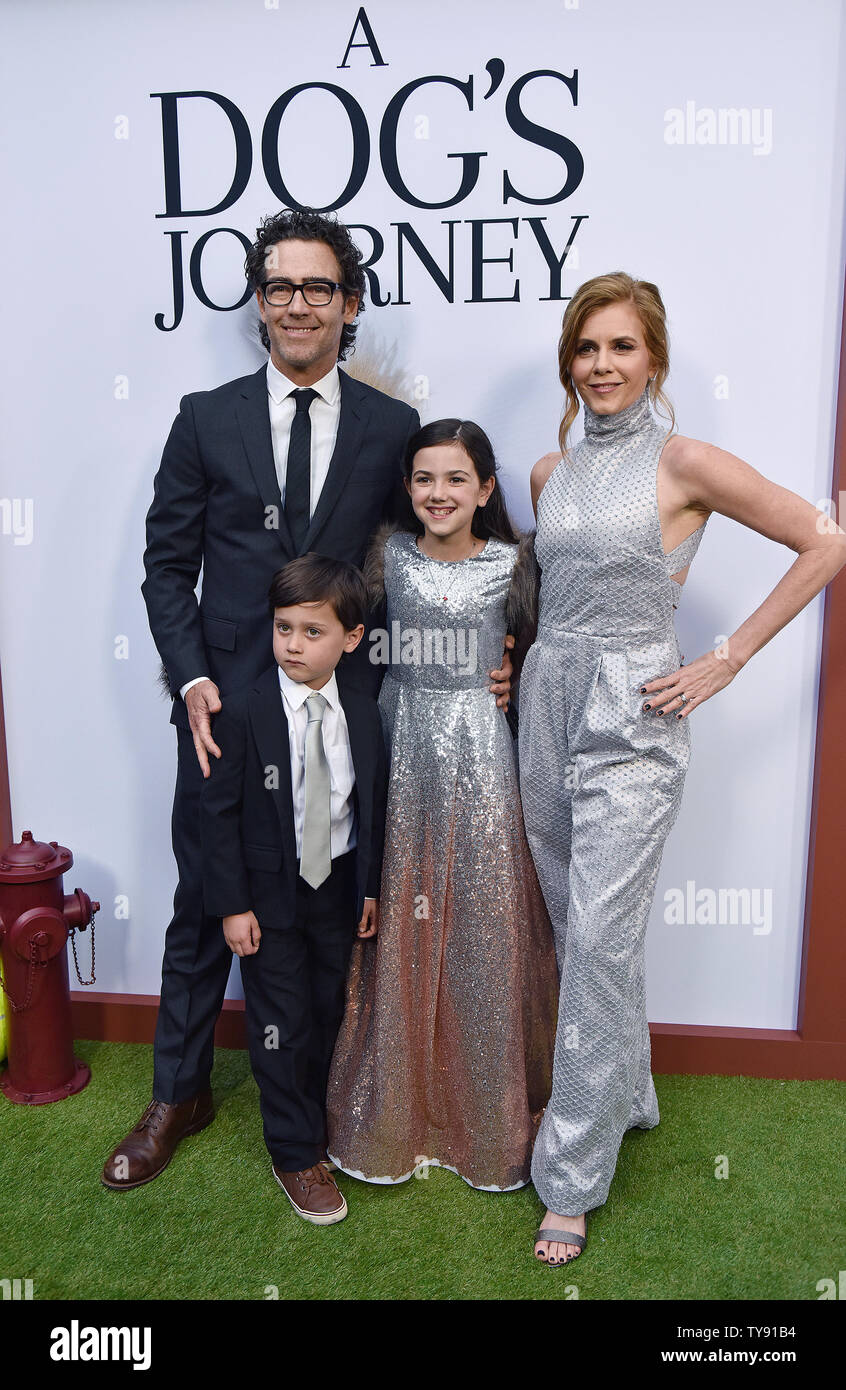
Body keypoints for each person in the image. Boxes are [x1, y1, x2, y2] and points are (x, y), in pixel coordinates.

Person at [101, 206, 511, 1190]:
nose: (297, 303)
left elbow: (427, 557)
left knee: (337, 907)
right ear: (258, 299)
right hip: (225, 708)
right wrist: (194, 677)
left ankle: (338, 1092)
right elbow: (166, 566)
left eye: (317, 286)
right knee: (209, 902)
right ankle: (178, 1090)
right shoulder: (206, 418)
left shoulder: (394, 430)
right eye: (280, 284)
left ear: (349, 302)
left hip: (346, 709)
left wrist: (488, 654)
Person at [518, 271, 846, 1266]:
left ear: (652, 357)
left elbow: (822, 540)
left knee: (603, 934)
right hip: (547, 705)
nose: (604, 365)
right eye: (588, 349)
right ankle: (633, 1091)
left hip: (637, 720)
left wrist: (729, 655)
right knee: (582, 929)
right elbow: (553, 594)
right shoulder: (547, 471)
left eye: (622, 347)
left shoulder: (686, 459)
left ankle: (569, 1178)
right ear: (569, 362)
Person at [326, 420, 559, 1191]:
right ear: (408, 487)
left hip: (484, 758)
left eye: (456, 479)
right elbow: (360, 647)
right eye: (424, 479)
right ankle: (400, 1108)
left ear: (486, 489)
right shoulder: (387, 557)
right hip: (401, 750)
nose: (438, 493)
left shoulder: (514, 566)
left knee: (481, 921)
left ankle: (486, 1119)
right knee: (401, 910)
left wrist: (517, 678)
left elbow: (544, 652)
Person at [198, 555, 386, 1224]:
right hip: (266, 900)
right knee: (280, 1022)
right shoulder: (244, 711)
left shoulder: (362, 714)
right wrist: (233, 906)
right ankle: (293, 1152)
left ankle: (316, 1124)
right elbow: (214, 817)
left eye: (312, 632)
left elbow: (369, 811)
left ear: (352, 638)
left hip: (334, 889)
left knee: (326, 1012)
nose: (294, 646)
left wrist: (367, 892)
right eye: (283, 629)